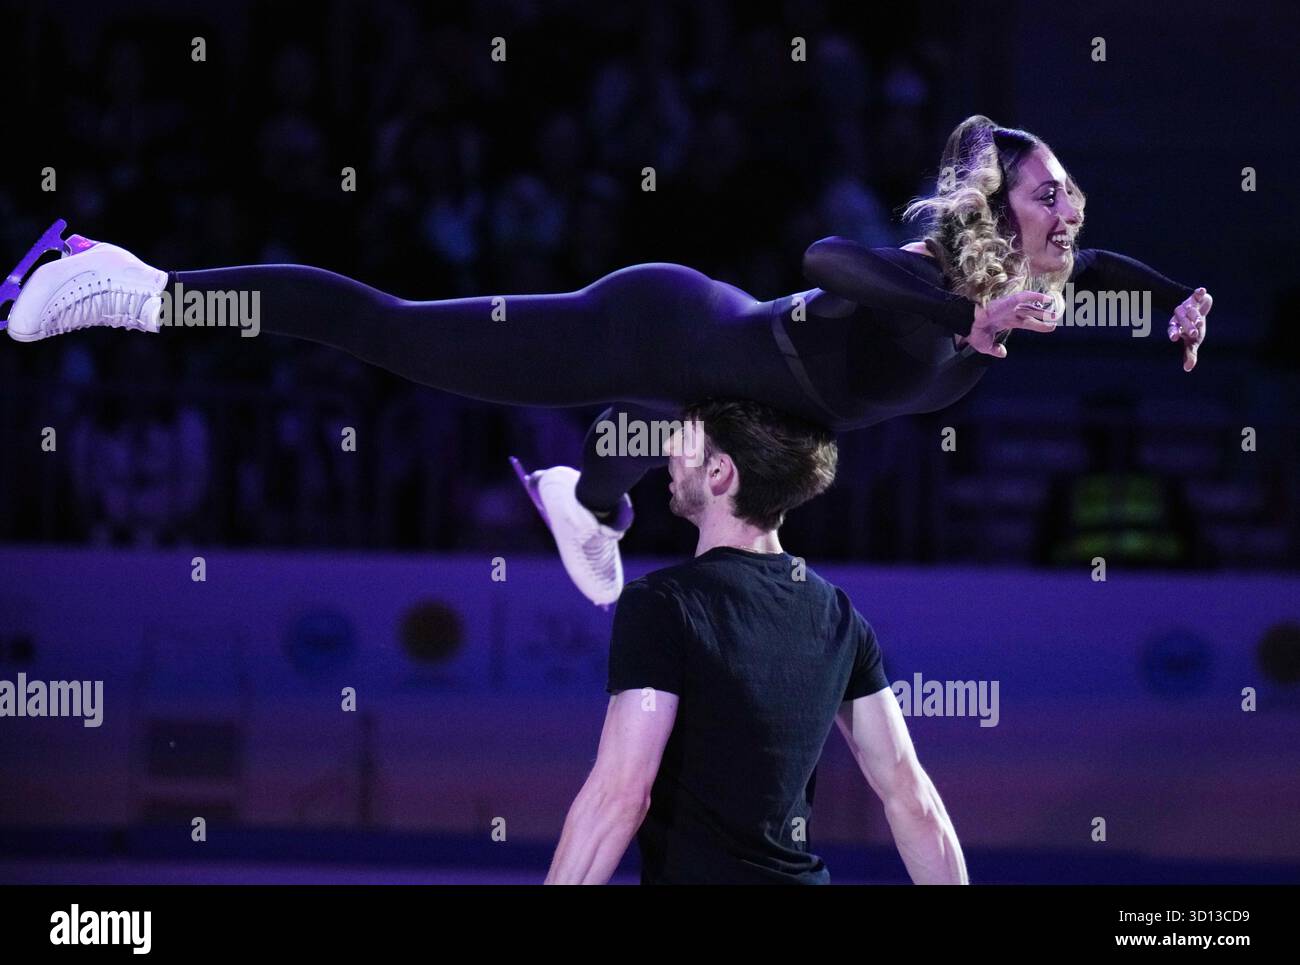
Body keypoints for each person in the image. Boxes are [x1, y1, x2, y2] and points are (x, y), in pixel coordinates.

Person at [1, 115, 1213, 605]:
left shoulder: (1038, 275)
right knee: (377, 323)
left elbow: (1102, 270)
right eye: (1050, 193)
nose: (1072, 211)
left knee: (697, 448)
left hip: (713, 393)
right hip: (658, 326)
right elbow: (825, 254)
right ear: (998, 209)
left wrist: (1173, 307)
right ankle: (132, 285)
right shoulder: (933, 278)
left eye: (1071, 193)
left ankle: (584, 504)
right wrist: (964, 326)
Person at [544, 398, 966, 884]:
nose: (670, 449)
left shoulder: (662, 603)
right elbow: (912, 799)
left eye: (685, 438)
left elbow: (619, 795)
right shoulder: (840, 617)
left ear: (720, 472)